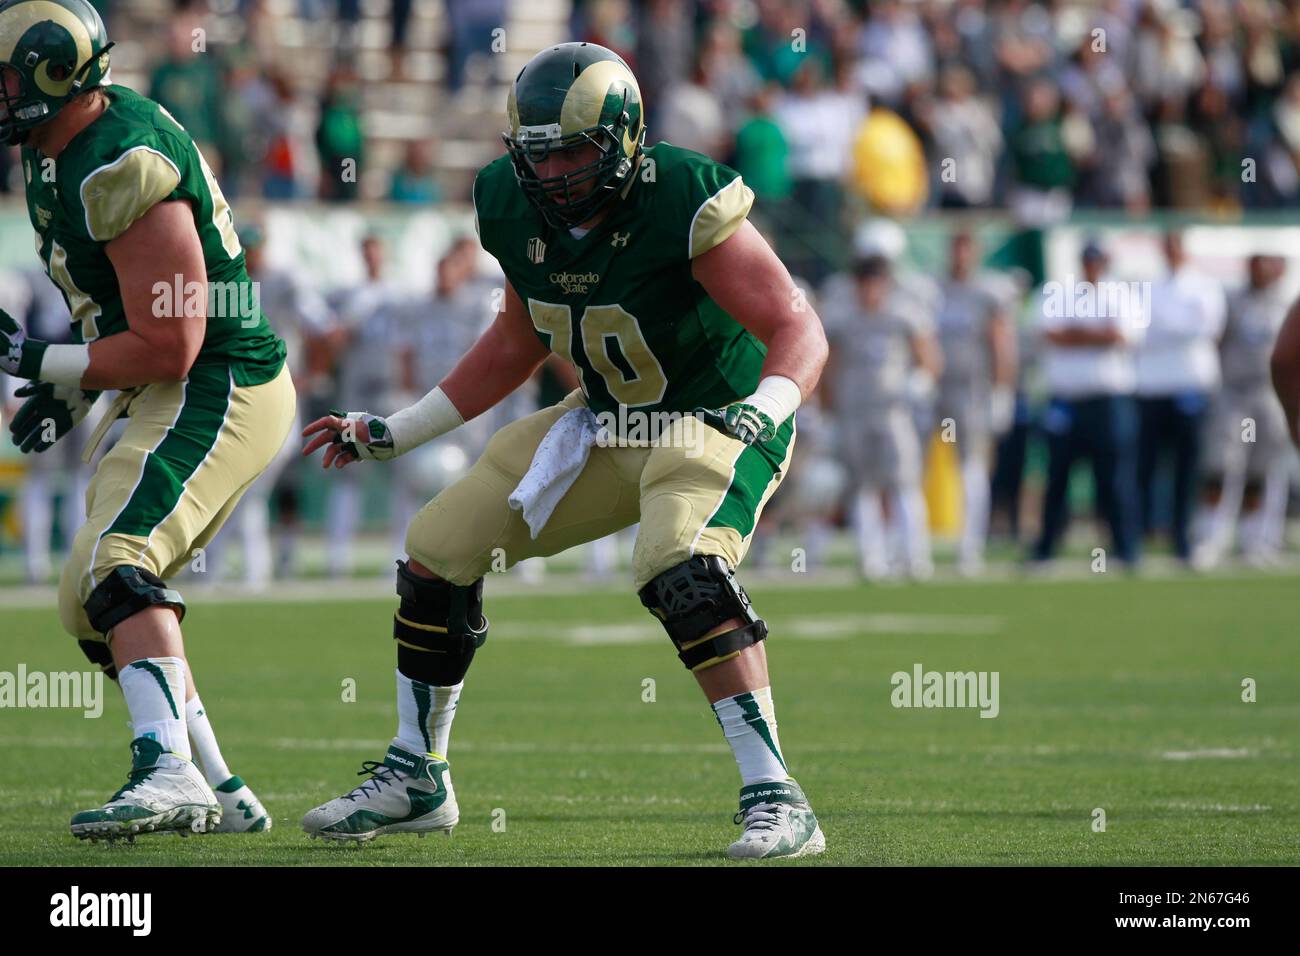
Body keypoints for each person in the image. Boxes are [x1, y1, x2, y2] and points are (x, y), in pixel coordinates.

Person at [300, 42, 829, 860]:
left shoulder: (683, 196)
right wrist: (397, 430)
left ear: (624, 139)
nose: (554, 174)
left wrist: (766, 408)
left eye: (574, 150)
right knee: (438, 548)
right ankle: (419, 772)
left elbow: (798, 327)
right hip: (607, 420)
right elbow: (515, 340)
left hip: (716, 416)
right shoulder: (509, 203)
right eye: (537, 154)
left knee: (678, 561)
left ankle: (778, 795)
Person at [0, 0, 294, 839]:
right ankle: (221, 786)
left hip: (217, 381)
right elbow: (118, 313)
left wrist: (38, 362)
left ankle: (168, 771)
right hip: (166, 385)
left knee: (117, 558)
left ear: (58, 77)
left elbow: (171, 341)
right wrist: (76, 381)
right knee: (81, 600)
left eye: (8, 77)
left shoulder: (117, 157)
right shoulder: (60, 145)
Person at [823, 252, 941, 580]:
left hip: (893, 411)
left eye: (874, 283)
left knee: (904, 481)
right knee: (862, 485)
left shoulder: (903, 313)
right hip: (854, 412)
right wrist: (826, 411)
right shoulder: (843, 317)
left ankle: (915, 555)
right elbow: (829, 366)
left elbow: (928, 356)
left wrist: (922, 381)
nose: (869, 291)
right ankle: (871, 557)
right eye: (864, 283)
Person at [1030, 240, 1141, 568]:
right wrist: (1095, 335)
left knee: (1114, 478)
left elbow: (1122, 337)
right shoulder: (1060, 293)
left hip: (1107, 401)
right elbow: (1049, 335)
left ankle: (1124, 549)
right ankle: (1045, 549)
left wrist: (1076, 335)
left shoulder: (1120, 294)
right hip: (1066, 401)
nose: (1092, 266)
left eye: (1097, 260)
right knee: (1057, 477)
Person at [1196, 255, 1292, 567]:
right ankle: (1212, 536)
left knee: (1260, 466)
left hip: (1266, 394)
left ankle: (1254, 539)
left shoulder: (1282, 304)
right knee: (1223, 463)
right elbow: (1215, 341)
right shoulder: (1232, 301)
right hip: (1236, 393)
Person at [1136, 231, 1226, 563]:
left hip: (1191, 385)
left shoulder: (1203, 285)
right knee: (1146, 465)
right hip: (1153, 387)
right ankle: (1141, 536)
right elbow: (1140, 331)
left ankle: (1183, 537)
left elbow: (1208, 327)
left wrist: (1165, 327)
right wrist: (1178, 326)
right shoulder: (1151, 286)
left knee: (1188, 467)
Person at [933, 231, 1017, 574]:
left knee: (972, 465)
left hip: (972, 389)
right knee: (912, 464)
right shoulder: (934, 290)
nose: (961, 256)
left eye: (967, 250)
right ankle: (907, 546)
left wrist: (1002, 389)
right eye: (956, 248)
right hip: (936, 387)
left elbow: (1001, 342)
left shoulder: (987, 293)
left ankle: (971, 544)